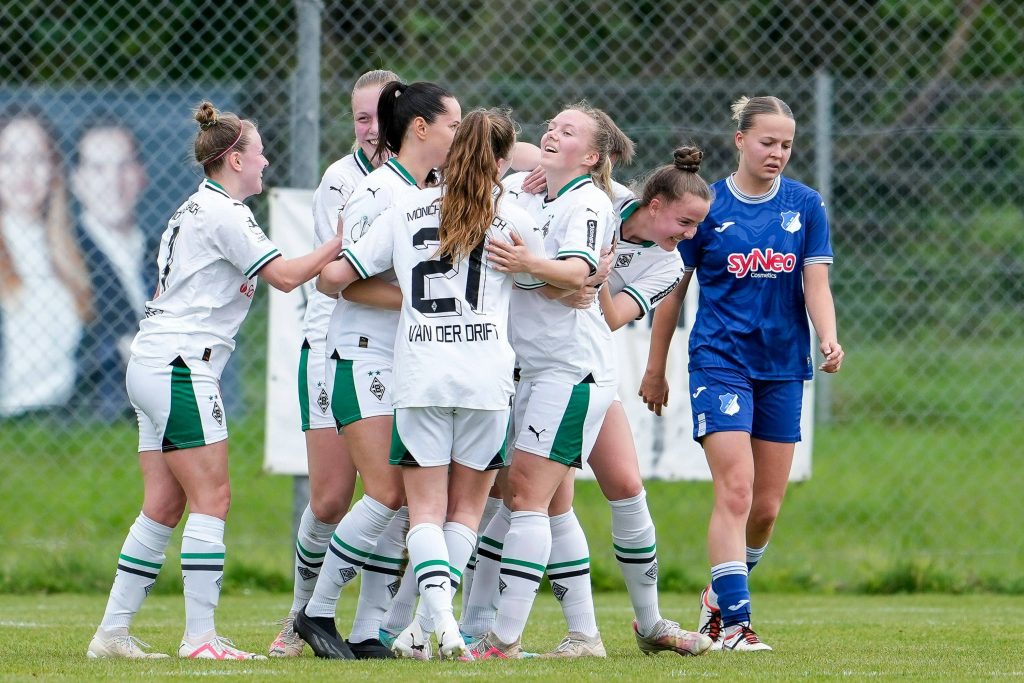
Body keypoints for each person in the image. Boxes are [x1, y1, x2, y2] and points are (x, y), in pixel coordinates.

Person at [86, 101, 344, 660]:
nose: (265, 160)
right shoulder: (226, 213)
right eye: (257, 152)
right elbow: (284, 277)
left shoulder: (195, 209)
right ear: (233, 159)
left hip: (155, 360)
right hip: (181, 365)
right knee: (213, 498)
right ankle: (200, 638)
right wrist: (339, 241)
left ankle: (112, 634)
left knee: (162, 503)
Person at [317, 107, 570, 660]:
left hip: (420, 374)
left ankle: (437, 627)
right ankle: (436, 629)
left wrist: (399, 286)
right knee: (466, 515)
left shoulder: (407, 208)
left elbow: (335, 278)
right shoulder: (513, 217)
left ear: (452, 156)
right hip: (486, 379)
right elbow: (561, 287)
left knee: (424, 513)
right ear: (501, 162)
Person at [640, 96, 844, 651]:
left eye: (786, 144)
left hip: (782, 366)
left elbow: (815, 285)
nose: (777, 153)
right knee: (736, 490)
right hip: (719, 361)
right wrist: (655, 368)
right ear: (740, 141)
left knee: (766, 508)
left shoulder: (805, 205)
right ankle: (736, 625)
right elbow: (672, 292)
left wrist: (827, 336)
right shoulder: (708, 206)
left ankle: (716, 597)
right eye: (767, 142)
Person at [293, 80, 462, 660]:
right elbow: (337, 281)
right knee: (386, 492)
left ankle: (367, 632)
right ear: (421, 128)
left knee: (410, 503)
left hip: (412, 363)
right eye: (451, 125)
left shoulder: (437, 190)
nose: (457, 136)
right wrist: (422, 299)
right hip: (361, 355)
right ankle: (314, 614)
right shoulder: (375, 193)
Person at [464, 103, 619, 660]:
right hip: (532, 370)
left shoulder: (588, 200)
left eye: (569, 131)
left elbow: (580, 270)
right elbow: (510, 156)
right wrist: (543, 273)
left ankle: (502, 640)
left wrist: (534, 264)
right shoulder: (531, 193)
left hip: (570, 370)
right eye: (552, 125)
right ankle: (584, 636)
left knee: (526, 496)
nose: (553, 133)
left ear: (594, 155)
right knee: (553, 506)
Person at [268, 68, 400, 660]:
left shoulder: (432, 177)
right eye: (360, 118)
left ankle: (375, 628)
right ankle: (298, 618)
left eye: (379, 116)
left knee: (394, 492)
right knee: (329, 498)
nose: (370, 128)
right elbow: (341, 278)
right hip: (332, 348)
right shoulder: (342, 180)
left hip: (405, 351)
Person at [0, 110, 92, 417]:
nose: (23, 172)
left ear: (54, 168)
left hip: (65, 420)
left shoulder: (80, 252)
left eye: (37, 158)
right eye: (9, 158)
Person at [71, 122, 150, 422]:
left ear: (142, 175)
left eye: (124, 166)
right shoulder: (65, 257)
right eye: (98, 169)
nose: (113, 182)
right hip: (97, 409)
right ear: (77, 180)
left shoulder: (159, 253)